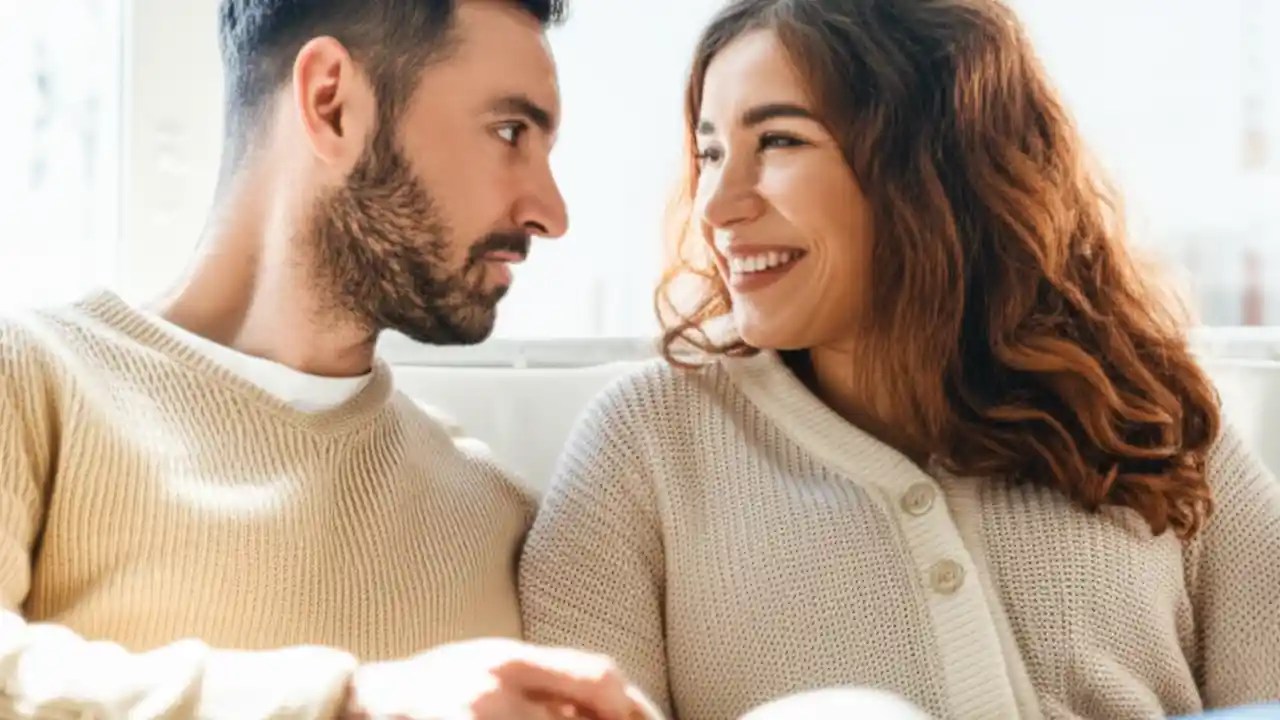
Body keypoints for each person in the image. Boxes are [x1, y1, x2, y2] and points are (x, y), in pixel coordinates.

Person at [518, 0, 1280, 718]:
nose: (717, 206)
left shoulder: (1159, 419)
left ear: (938, 165)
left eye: (779, 141)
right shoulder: (643, 446)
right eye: (710, 151)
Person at [0, 0, 652, 718]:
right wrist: (356, 703)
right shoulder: (33, 381)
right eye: (508, 132)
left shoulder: (500, 518)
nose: (550, 213)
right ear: (331, 103)